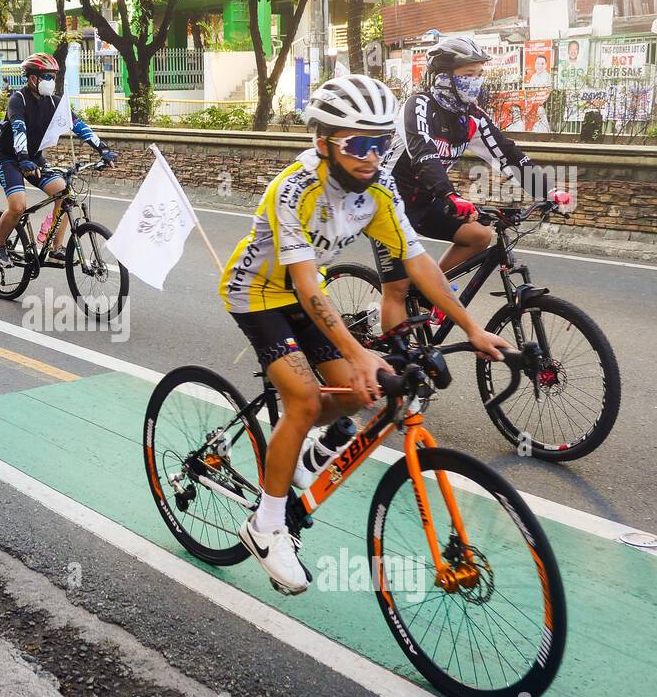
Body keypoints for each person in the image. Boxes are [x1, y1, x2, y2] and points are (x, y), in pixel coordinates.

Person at [218, 74, 510, 594]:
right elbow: (307, 287)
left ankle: (305, 454)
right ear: (324, 142)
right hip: (259, 293)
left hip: (307, 294)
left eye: (381, 145)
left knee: (356, 394)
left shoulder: (378, 187)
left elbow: (418, 260)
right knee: (306, 401)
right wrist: (359, 353)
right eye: (358, 144)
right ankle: (265, 527)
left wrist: (473, 326)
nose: (371, 157)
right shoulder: (294, 190)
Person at [372, 37, 572, 332]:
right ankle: (397, 367)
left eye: (479, 75)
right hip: (388, 203)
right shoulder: (418, 106)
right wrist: (450, 195)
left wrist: (548, 190)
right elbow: (424, 155)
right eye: (467, 75)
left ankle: (429, 290)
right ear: (442, 77)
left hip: (425, 203)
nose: (475, 83)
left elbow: (508, 154)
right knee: (397, 290)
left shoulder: (471, 118)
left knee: (480, 236)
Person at [0, 52, 115, 267]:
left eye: (54, 76)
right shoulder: (17, 100)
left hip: (34, 159)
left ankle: (55, 249)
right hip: (10, 158)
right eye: (48, 76)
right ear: (33, 79)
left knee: (66, 194)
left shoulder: (55, 103)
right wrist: (23, 159)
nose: (52, 81)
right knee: (18, 206)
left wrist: (103, 149)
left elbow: (79, 125)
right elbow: (19, 128)